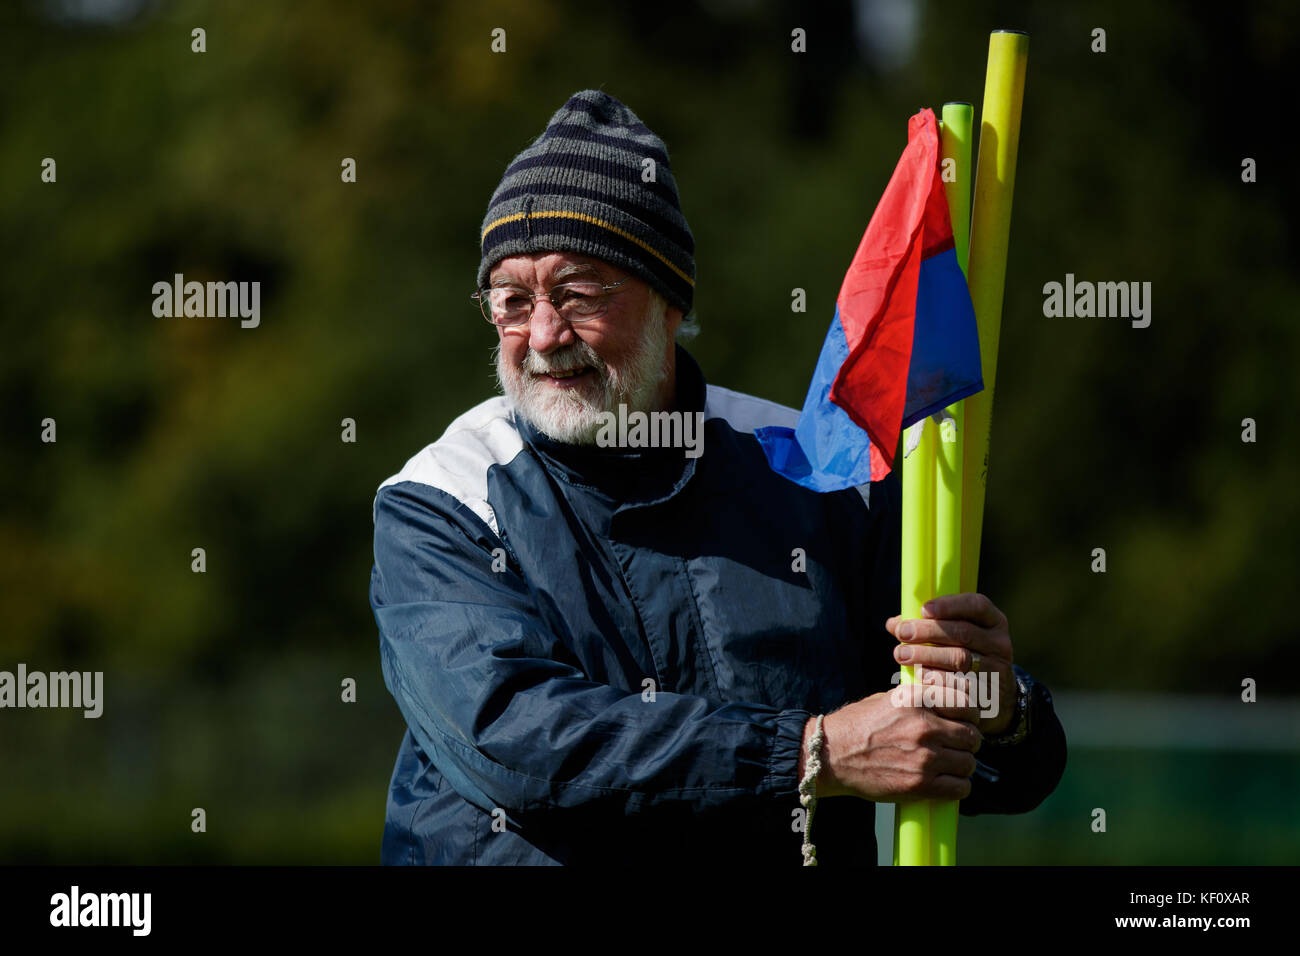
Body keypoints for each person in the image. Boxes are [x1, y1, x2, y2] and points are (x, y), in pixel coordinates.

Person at [370, 89, 1066, 866]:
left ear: (671, 302)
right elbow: (512, 740)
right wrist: (814, 754)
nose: (542, 334)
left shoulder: (820, 468)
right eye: (512, 301)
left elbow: (977, 760)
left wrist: (997, 709)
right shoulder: (443, 495)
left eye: (578, 292)